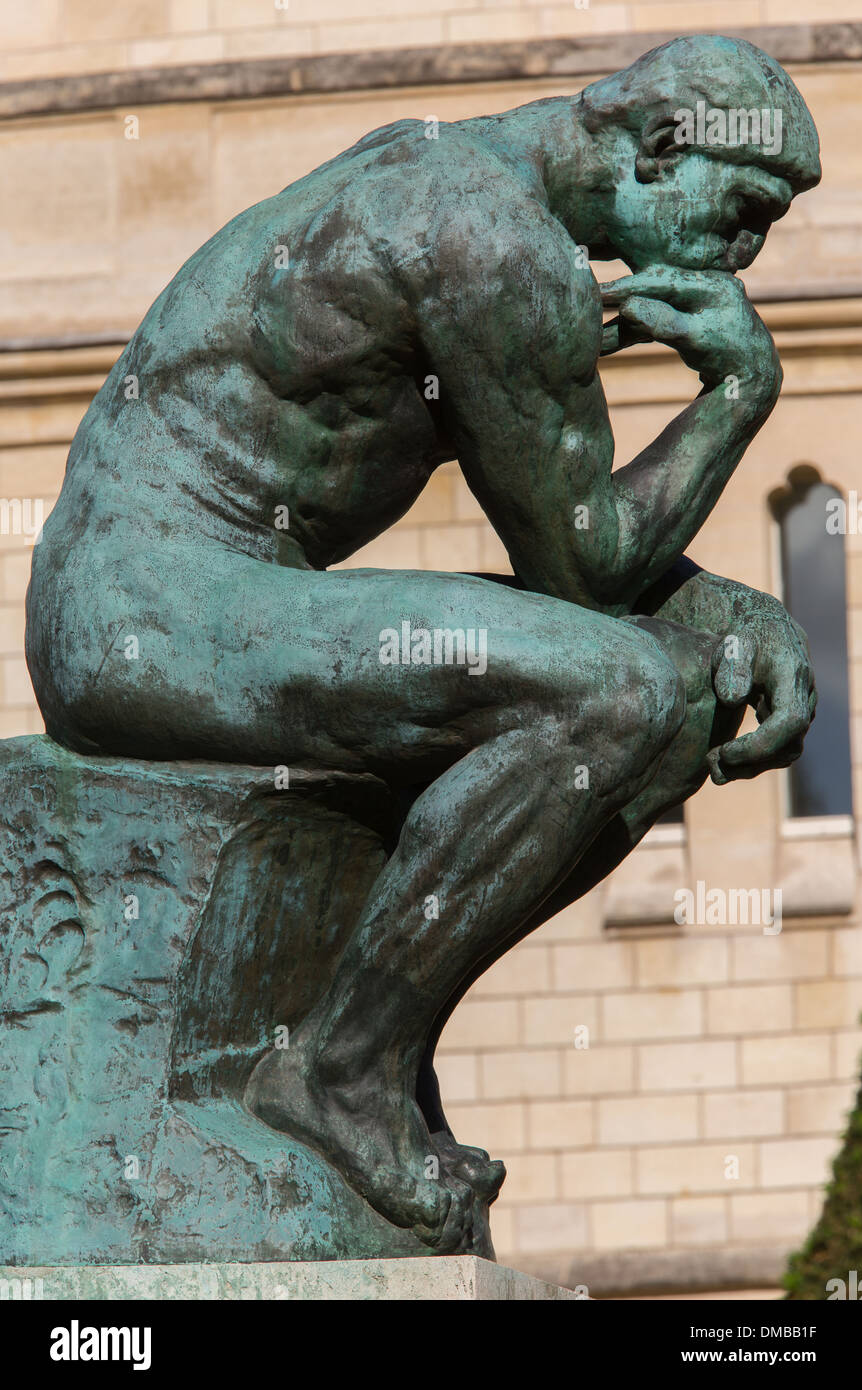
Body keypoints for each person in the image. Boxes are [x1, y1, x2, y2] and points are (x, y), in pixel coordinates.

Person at [26, 35, 820, 1251]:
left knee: (662, 685)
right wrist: (732, 397)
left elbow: (581, 548)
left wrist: (726, 608)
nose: (746, 254)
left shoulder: (476, 189)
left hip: (202, 593)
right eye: (746, 207)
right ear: (662, 147)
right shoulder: (492, 239)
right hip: (145, 610)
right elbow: (592, 565)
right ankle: (341, 1073)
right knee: (615, 696)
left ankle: (361, 1046)